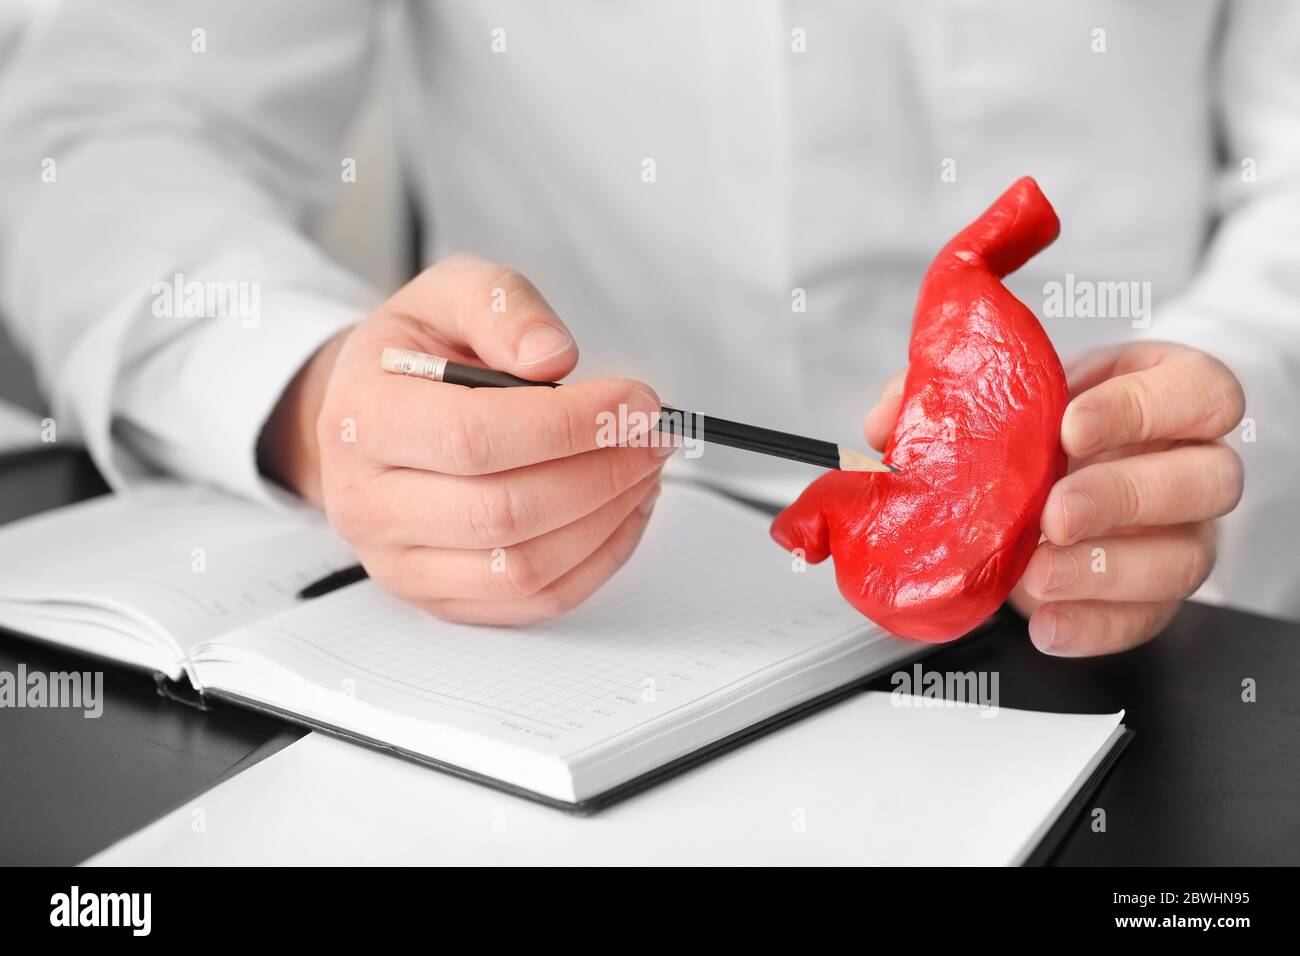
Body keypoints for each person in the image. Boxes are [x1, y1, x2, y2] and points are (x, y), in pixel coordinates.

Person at [0, 1, 1292, 655]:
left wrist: (1212, 394)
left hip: (1168, 604)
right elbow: (116, 115)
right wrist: (308, 395)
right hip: (581, 631)